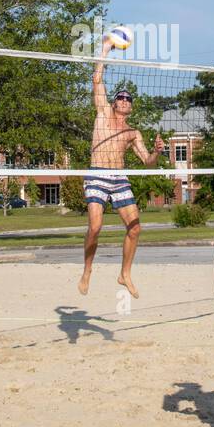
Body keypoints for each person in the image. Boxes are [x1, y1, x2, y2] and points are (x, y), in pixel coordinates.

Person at [78, 36, 165, 298]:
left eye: (129, 99)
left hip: (119, 178)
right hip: (97, 174)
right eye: (121, 97)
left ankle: (124, 273)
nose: (125, 100)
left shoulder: (132, 132)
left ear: (131, 106)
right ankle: (87, 269)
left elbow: (148, 164)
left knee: (136, 227)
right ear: (115, 103)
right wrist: (105, 48)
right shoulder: (103, 112)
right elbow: (97, 80)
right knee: (95, 227)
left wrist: (158, 153)